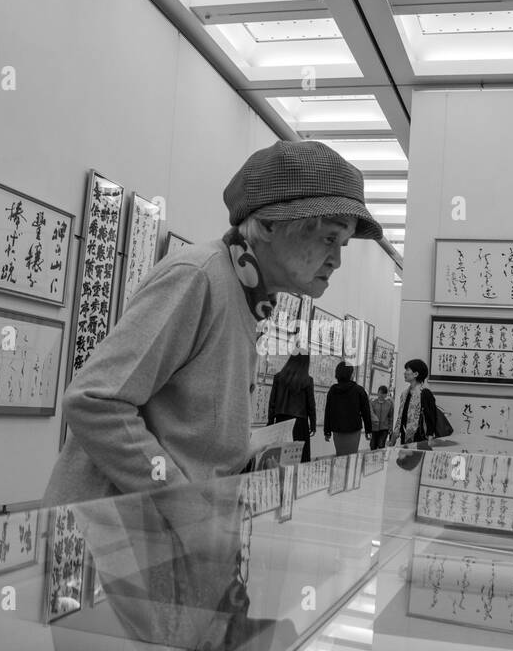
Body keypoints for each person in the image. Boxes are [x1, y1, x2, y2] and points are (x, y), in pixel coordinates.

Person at [42, 139, 382, 506]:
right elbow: (94, 402)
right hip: (107, 542)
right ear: (269, 225)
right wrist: (186, 505)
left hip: (152, 539)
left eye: (343, 243)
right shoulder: (198, 277)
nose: (336, 260)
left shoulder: (248, 297)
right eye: (330, 237)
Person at [268, 353, 315, 463]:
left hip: (281, 422)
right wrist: (313, 424)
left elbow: (272, 402)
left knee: (280, 458)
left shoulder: (278, 377)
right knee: (299, 459)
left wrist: (270, 421)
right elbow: (311, 405)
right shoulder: (307, 380)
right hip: (300, 423)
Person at [324, 361, 372, 456]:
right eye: (353, 371)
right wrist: (368, 430)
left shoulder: (333, 390)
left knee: (340, 455)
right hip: (353, 430)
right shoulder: (359, 390)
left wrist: (327, 431)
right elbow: (366, 412)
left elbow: (328, 411)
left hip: (337, 430)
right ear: (350, 374)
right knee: (352, 457)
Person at [388, 359, 439, 446]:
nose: (405, 373)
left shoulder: (425, 393)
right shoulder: (404, 394)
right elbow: (400, 418)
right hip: (405, 439)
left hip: (421, 440)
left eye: (407, 370)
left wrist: (430, 439)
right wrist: (393, 439)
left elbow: (431, 418)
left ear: (416, 374)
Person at [369, 385, 393, 450]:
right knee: (373, 446)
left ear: (386, 394)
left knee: (381, 445)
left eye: (384, 393)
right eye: (380, 393)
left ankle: (381, 459)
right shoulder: (372, 403)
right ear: (378, 393)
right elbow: (370, 415)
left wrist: (390, 427)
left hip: (384, 429)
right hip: (374, 428)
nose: (382, 395)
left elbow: (390, 417)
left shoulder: (389, 404)